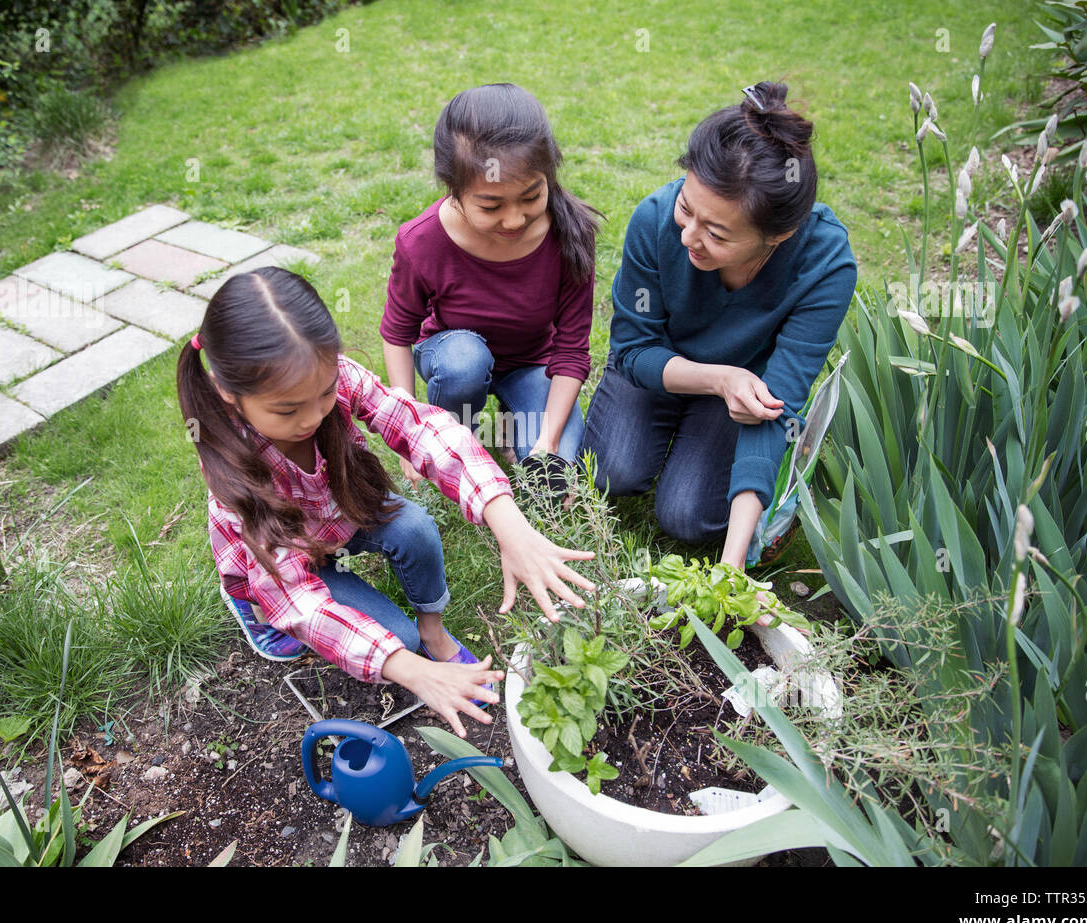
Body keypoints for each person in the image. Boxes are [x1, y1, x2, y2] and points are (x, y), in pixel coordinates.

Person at [177, 267, 596, 737]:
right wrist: (413, 671)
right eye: (287, 410)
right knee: (386, 641)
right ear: (228, 394)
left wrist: (508, 520)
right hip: (282, 556)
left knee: (414, 528)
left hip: (339, 513)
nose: (314, 417)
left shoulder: (333, 380)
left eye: (324, 394)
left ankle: (433, 633)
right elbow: (297, 597)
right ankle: (251, 607)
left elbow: (421, 426)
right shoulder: (232, 470)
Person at [582, 81, 857, 572]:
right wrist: (717, 377)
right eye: (687, 209)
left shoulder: (825, 264)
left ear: (779, 235)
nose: (689, 235)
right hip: (657, 367)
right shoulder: (654, 220)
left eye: (717, 233)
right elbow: (632, 347)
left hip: (742, 397)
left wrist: (731, 569)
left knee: (688, 518)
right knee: (610, 472)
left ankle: (766, 481)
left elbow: (777, 402)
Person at [380, 83, 600, 480]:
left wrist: (547, 443)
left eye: (531, 197)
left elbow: (571, 350)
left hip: (534, 363)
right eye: (491, 205)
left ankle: (513, 429)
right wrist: (408, 433)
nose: (514, 220)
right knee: (466, 361)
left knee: (553, 471)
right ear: (454, 191)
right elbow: (398, 333)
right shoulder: (421, 241)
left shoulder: (571, 233)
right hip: (453, 353)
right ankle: (450, 432)